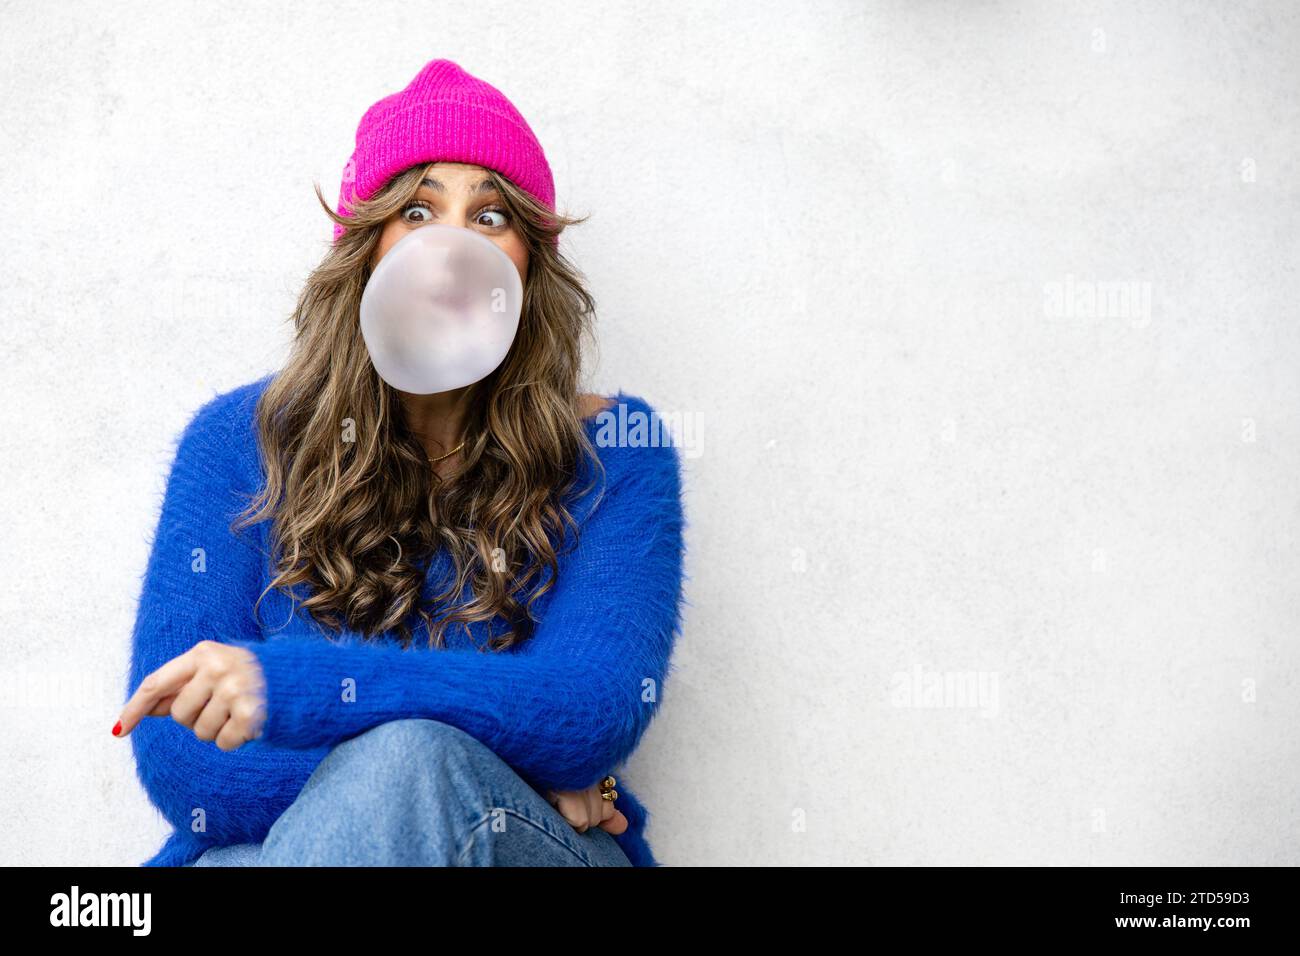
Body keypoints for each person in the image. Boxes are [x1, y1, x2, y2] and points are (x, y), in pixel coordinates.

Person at [112, 58, 686, 867]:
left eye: (490, 218)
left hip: (520, 852)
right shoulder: (234, 443)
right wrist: (517, 759)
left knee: (409, 768)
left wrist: (298, 694)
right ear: (369, 246)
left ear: (528, 264)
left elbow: (593, 710)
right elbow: (187, 769)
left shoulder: (617, 454)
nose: (453, 245)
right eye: (420, 209)